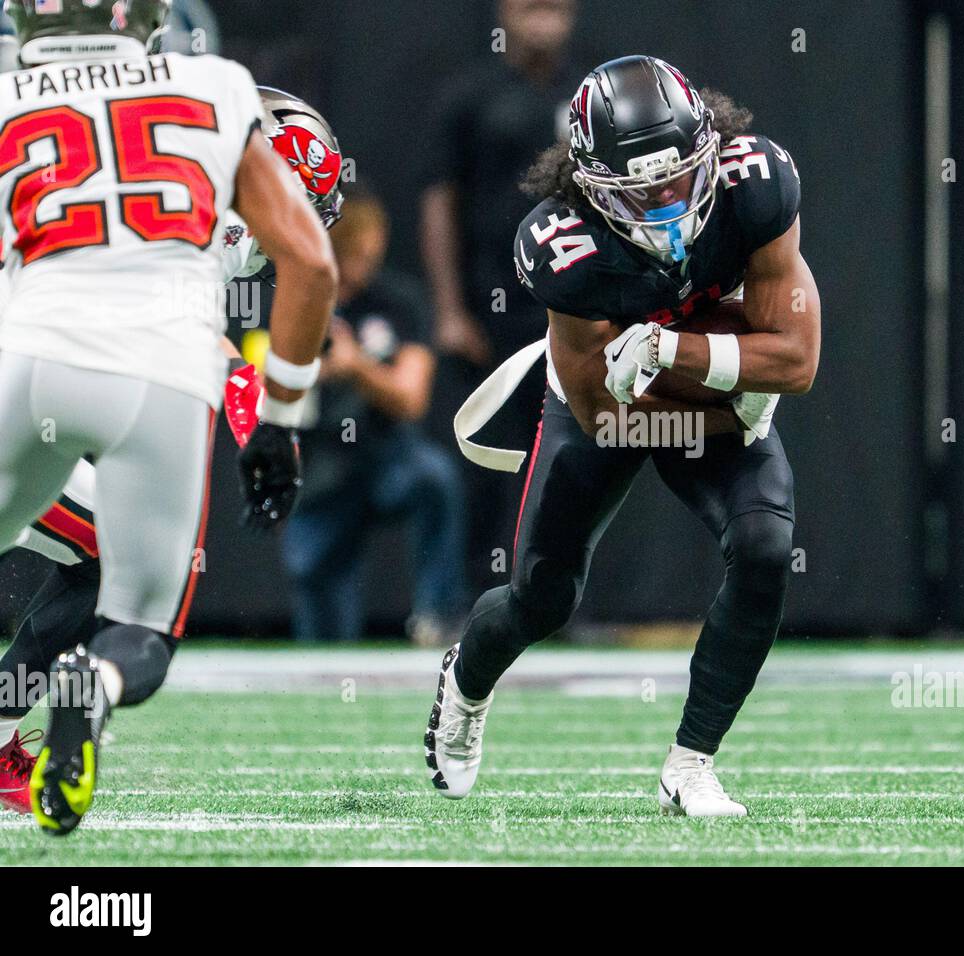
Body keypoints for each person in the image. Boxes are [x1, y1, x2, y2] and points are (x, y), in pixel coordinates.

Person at [425, 56, 820, 817]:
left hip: (683, 375)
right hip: (607, 404)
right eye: (640, 190)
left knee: (766, 545)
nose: (667, 200)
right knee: (543, 597)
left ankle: (690, 765)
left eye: (677, 178)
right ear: (593, 188)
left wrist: (675, 352)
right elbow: (607, 412)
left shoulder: (757, 184)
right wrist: (733, 383)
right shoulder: (562, 245)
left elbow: (797, 359)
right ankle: (466, 685)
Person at [0, 0, 337, 834]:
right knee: (127, 597)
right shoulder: (214, 101)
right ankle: (69, 699)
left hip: (30, 356)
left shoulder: (21, 93)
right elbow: (305, 261)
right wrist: (275, 420)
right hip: (145, 379)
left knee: (88, 543)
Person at [420, 0, 579, 592]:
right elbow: (440, 202)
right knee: (481, 458)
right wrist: (449, 309)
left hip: (568, 307)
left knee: (566, 457)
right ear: (505, 11)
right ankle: (466, 600)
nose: (545, 20)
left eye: (555, 7)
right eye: (532, 6)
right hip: (489, 307)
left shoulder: (590, 98)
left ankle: (557, 599)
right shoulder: (471, 96)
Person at [280, 188, 466, 645]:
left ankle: (438, 615)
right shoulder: (297, 298)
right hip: (321, 464)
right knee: (320, 607)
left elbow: (410, 397)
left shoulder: (396, 301)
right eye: (355, 255)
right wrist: (313, 368)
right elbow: (262, 380)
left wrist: (357, 366)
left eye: (370, 255)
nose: (364, 266)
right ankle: (327, 665)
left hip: (386, 457)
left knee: (435, 478)